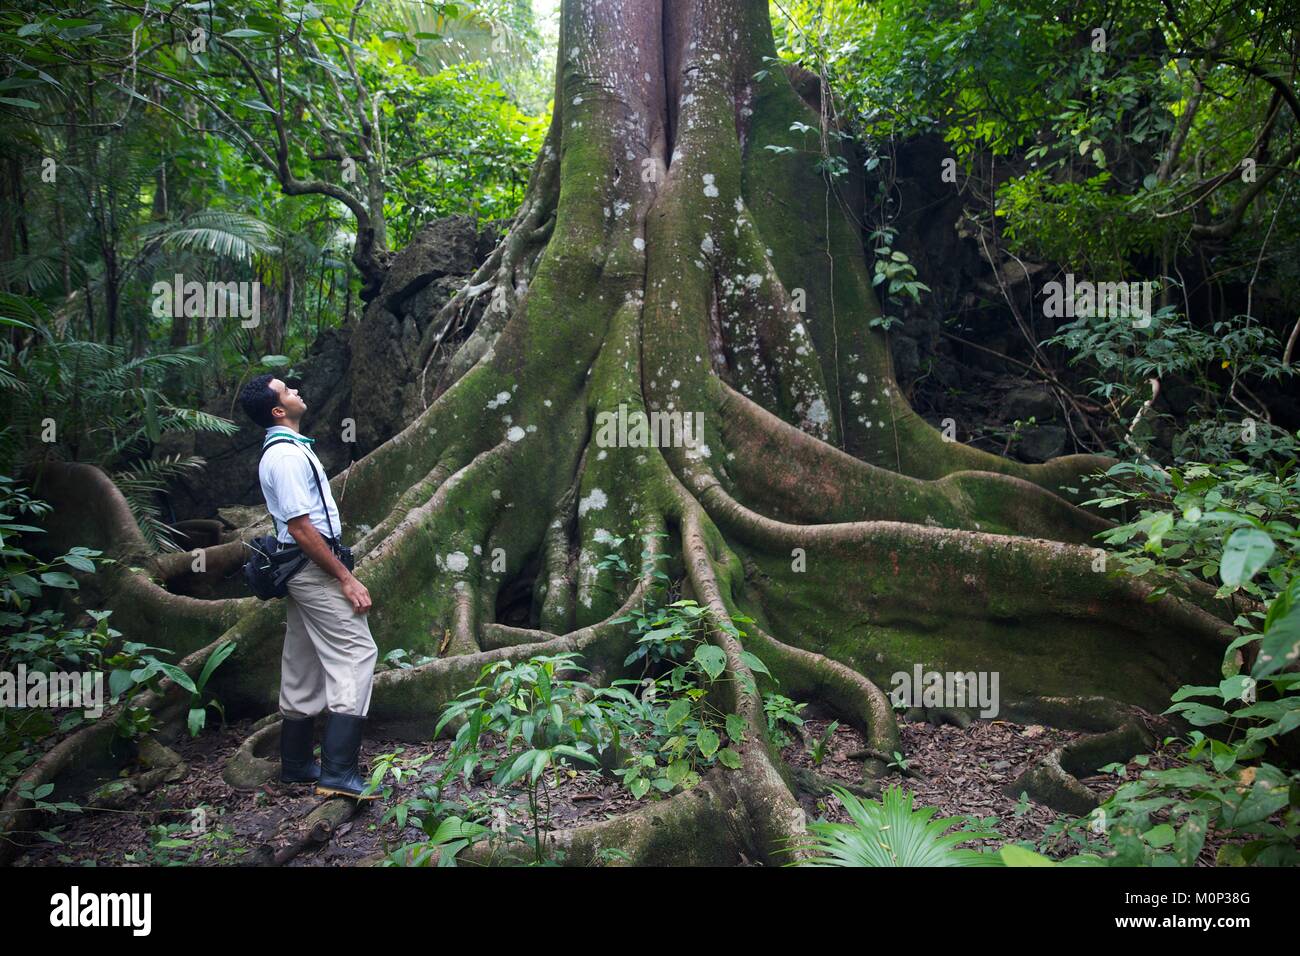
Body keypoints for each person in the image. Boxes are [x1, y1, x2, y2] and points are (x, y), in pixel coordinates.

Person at [237, 373, 379, 801]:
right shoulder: (284, 457)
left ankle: (296, 764)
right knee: (356, 653)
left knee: (302, 660)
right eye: (287, 390)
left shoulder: (291, 450)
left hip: (298, 571)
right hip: (311, 570)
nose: (297, 390)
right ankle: (338, 772)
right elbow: (301, 528)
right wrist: (345, 577)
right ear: (278, 410)